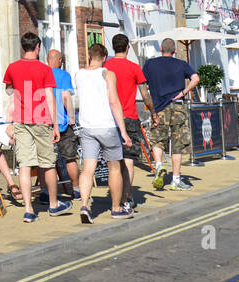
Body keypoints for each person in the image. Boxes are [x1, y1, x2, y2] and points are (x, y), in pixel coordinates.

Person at [3, 32, 70, 222]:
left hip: (21, 121)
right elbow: (50, 97)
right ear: (38, 47)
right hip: (41, 119)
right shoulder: (44, 69)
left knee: (24, 165)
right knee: (48, 163)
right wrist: (56, 125)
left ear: (23, 47)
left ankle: (28, 209)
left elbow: (9, 89)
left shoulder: (12, 67)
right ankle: (54, 204)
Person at [74, 44, 134, 222]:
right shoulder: (107, 74)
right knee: (114, 168)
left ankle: (85, 205)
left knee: (87, 169)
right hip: (107, 125)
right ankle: (116, 208)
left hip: (86, 126)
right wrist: (123, 131)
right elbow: (114, 102)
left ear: (89, 56)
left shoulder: (79, 75)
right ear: (105, 57)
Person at [104, 33, 154, 212]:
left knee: (113, 161)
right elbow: (145, 94)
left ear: (113, 48)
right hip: (129, 116)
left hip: (109, 117)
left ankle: (115, 195)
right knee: (129, 159)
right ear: (126, 48)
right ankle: (127, 197)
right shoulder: (134, 68)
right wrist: (153, 113)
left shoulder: (105, 66)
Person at [144, 38, 198, 191]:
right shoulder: (181, 64)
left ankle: (159, 166)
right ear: (174, 50)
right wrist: (183, 92)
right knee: (178, 143)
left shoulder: (150, 64)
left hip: (159, 107)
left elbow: (144, 85)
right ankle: (175, 179)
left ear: (161, 48)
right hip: (178, 107)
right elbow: (196, 79)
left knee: (157, 139)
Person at [45, 49, 80, 202]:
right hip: (63, 123)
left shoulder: (42, 74)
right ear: (59, 60)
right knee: (70, 158)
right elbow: (66, 97)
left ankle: (46, 192)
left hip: (46, 123)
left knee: (46, 160)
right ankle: (76, 189)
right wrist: (72, 118)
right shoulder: (64, 75)